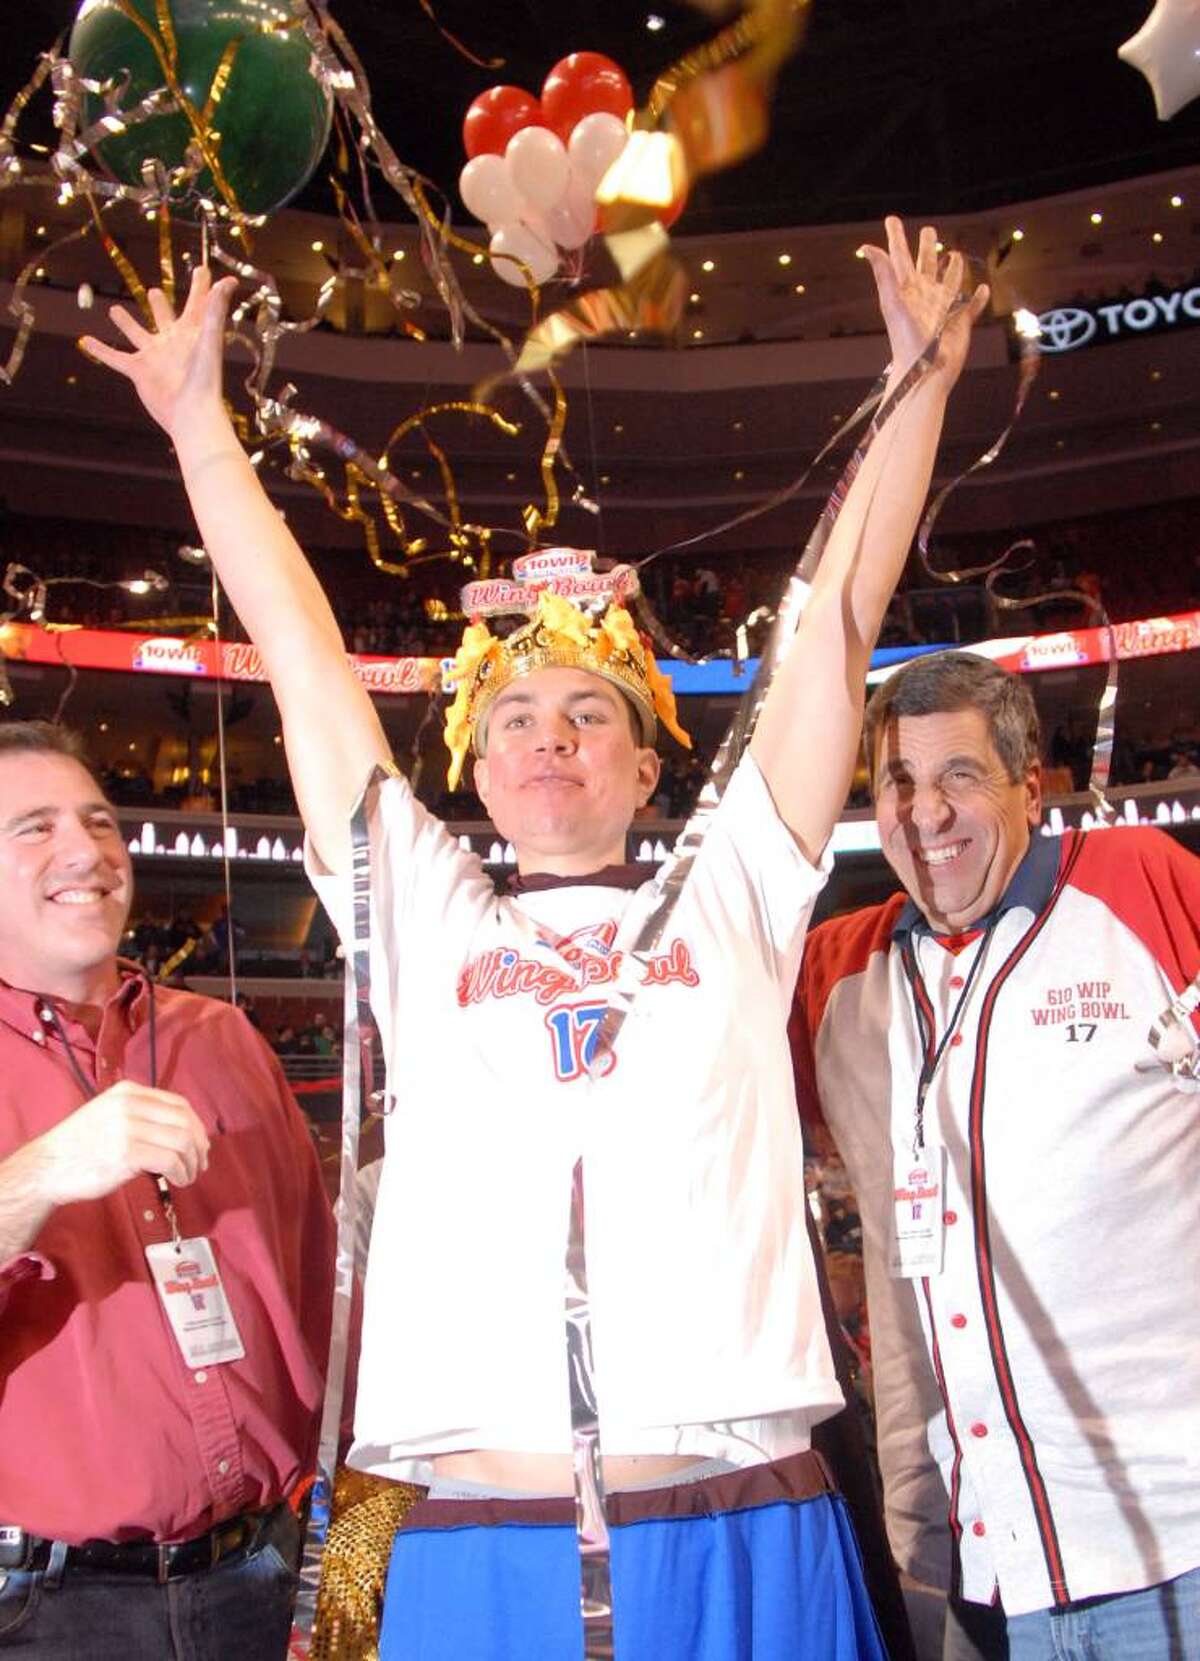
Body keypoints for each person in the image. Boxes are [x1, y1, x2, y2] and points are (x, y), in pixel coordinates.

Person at [83, 217, 986, 1659]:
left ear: (648, 765)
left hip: (738, 1515)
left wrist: (919, 386)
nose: (549, 739)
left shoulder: (738, 883)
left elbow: (836, 622)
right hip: (468, 1541)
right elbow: (305, 657)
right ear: (476, 770)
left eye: (590, 716)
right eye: (514, 718)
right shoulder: (426, 907)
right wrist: (198, 429)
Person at [790, 650, 1200, 1661]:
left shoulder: (1143, 887)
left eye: (958, 776)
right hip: (960, 1563)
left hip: (1173, 1541)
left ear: (1030, 784)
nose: (924, 812)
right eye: (897, 781)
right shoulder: (836, 973)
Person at [0, 721, 340, 1660]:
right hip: (43, 1608)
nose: (88, 849)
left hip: (259, 1580)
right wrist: (41, 1174)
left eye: (100, 820)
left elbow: (317, 1289)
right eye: (35, 827)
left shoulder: (222, 1038)